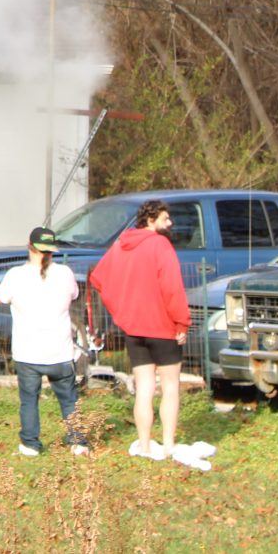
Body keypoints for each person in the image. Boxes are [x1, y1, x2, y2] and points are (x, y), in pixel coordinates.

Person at [88, 199, 215, 471]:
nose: (170, 223)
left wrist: (120, 312)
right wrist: (181, 323)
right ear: (151, 220)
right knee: (170, 388)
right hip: (162, 327)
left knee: (144, 389)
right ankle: (168, 445)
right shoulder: (160, 245)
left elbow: (99, 279)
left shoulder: (121, 244)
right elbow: (172, 288)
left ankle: (145, 446)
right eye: (165, 219)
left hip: (133, 329)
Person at [0, 226, 86, 457]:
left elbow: (1, 297)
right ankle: (78, 442)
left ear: (30, 247)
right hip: (60, 352)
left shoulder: (15, 275)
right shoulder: (65, 273)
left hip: (27, 353)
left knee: (29, 401)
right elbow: (75, 294)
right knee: (69, 400)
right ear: (52, 250)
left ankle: (30, 444)